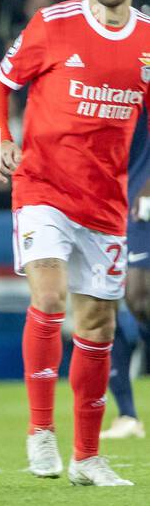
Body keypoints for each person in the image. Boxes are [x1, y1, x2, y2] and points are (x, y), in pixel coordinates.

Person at [0, 0, 150, 486]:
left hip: (106, 203)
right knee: (50, 296)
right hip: (43, 188)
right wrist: (4, 141)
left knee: (99, 325)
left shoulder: (148, 40)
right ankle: (40, 433)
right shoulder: (52, 25)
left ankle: (87, 457)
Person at [104, 108, 150, 439]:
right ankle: (127, 414)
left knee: (139, 296)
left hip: (140, 186)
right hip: (104, 190)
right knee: (99, 301)